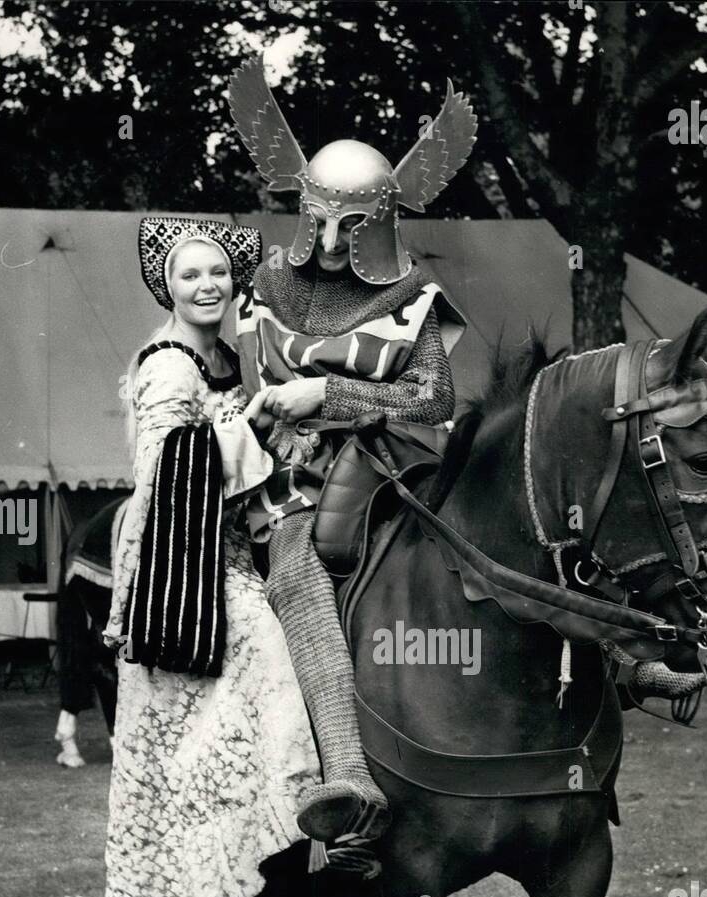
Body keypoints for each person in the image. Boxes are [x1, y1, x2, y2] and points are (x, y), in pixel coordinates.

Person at [101, 215, 325, 897]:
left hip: (233, 556)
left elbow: (246, 475)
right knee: (273, 677)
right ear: (168, 288)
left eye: (216, 274)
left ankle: (261, 882)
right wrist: (264, 418)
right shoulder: (168, 367)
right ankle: (240, 882)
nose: (203, 286)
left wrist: (283, 439)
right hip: (187, 585)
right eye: (187, 274)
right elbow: (168, 471)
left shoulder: (229, 363)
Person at [227, 57, 476, 844]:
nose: (333, 242)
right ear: (302, 210)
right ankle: (346, 774)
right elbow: (238, 392)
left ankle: (627, 667)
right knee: (300, 571)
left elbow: (432, 401)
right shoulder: (264, 286)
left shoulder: (414, 298)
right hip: (290, 483)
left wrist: (331, 396)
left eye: (354, 224)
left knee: (507, 539)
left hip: (397, 471)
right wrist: (284, 408)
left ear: (384, 219)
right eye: (321, 220)